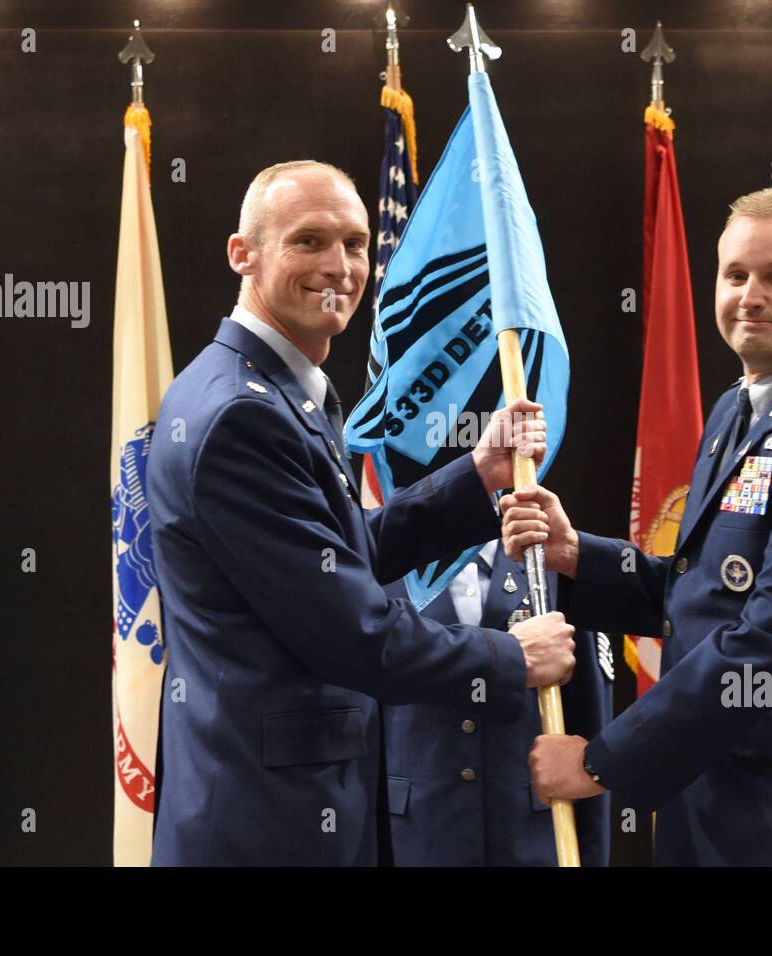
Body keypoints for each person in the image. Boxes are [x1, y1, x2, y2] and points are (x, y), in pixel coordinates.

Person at [147, 160, 576, 866]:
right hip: (265, 826)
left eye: (353, 243)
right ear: (242, 253)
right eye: (308, 241)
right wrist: (510, 657)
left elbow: (331, 557)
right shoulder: (239, 416)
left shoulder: (272, 389)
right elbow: (349, 626)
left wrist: (475, 478)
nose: (340, 266)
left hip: (282, 805)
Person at [504, 187, 772, 866]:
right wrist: (578, 556)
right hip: (714, 812)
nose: (750, 296)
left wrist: (603, 762)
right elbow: (704, 592)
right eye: (736, 275)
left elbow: (771, 641)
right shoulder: (739, 407)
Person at [382, 540, 614, 866]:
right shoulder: (385, 569)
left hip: (532, 841)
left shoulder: (552, 566)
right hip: (415, 838)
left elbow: (591, 727)